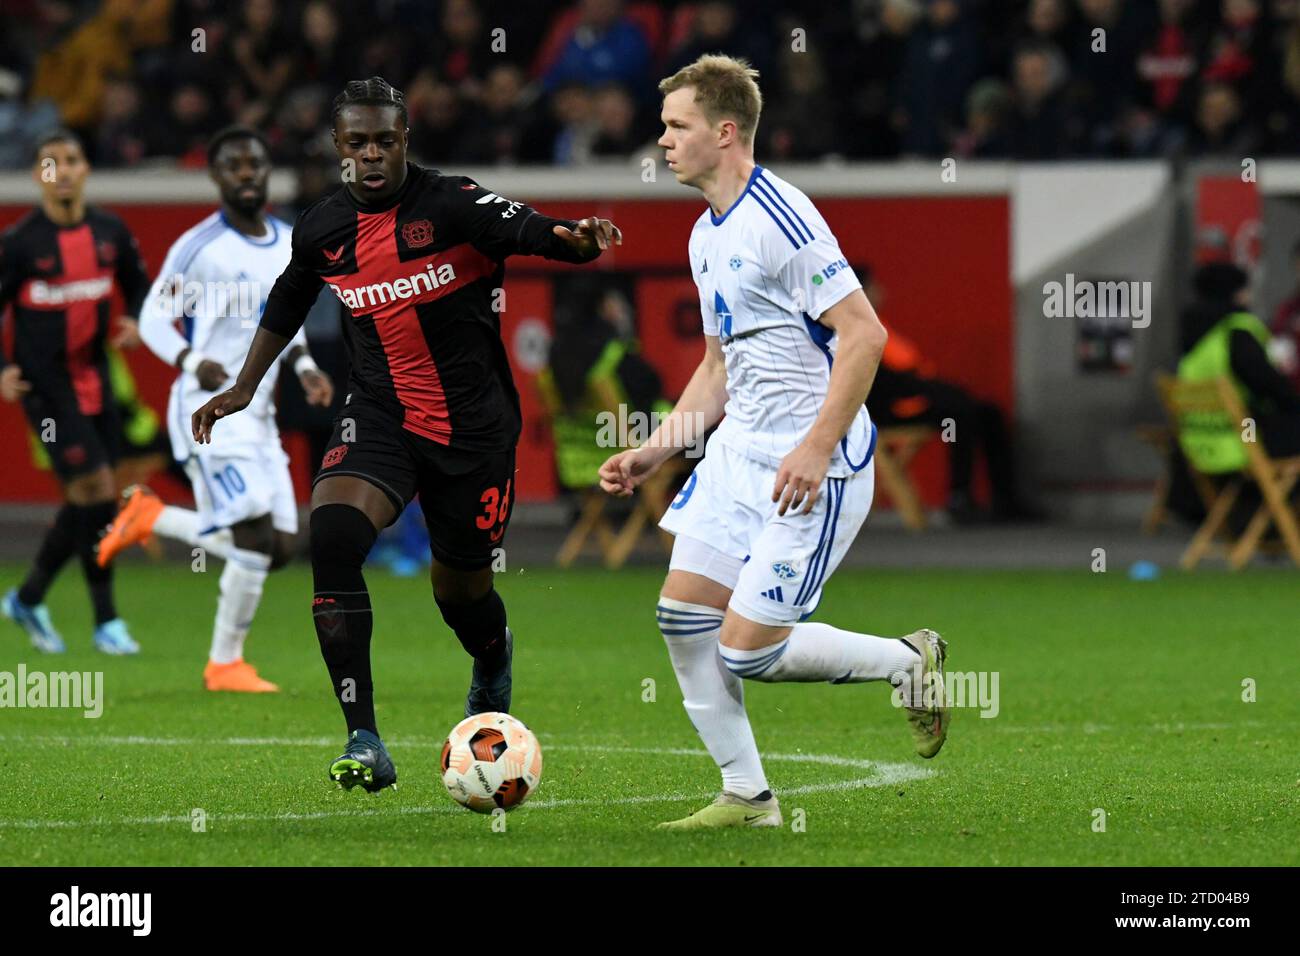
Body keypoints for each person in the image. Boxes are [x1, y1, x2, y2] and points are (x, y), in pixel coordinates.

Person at [191, 77, 621, 792]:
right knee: (331, 536)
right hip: (380, 413)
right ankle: (364, 737)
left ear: (403, 142)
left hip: (473, 429)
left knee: (460, 595)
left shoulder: (452, 202)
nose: (370, 156)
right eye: (356, 143)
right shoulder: (323, 228)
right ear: (337, 148)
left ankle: (492, 656)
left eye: (384, 142)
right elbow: (292, 292)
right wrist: (243, 384)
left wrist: (575, 240)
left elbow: (530, 229)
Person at [598, 55, 948, 830]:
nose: (663, 141)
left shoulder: (781, 218)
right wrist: (655, 450)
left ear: (725, 133)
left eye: (677, 126)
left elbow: (864, 335)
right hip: (738, 455)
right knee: (682, 619)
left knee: (750, 650)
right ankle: (748, 797)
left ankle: (907, 661)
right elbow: (719, 368)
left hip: (810, 464)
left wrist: (816, 448)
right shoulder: (704, 233)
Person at [97, 125, 335, 693]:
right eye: (234, 166)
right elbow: (153, 316)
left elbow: (284, 322)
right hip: (208, 410)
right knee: (251, 537)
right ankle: (224, 664)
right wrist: (190, 358)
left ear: (266, 169)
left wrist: (303, 368)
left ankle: (154, 517)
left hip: (259, 413)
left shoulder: (287, 239)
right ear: (216, 176)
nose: (247, 175)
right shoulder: (199, 247)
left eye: (255, 164)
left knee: (280, 547)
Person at [0, 130, 148, 655]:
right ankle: (106, 620)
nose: (61, 171)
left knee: (89, 497)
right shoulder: (20, 243)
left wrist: (133, 318)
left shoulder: (109, 232)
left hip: (97, 380)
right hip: (47, 391)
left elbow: (139, 282)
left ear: (86, 169)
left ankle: (29, 596)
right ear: (37, 174)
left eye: (71, 161)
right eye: (49, 163)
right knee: (100, 490)